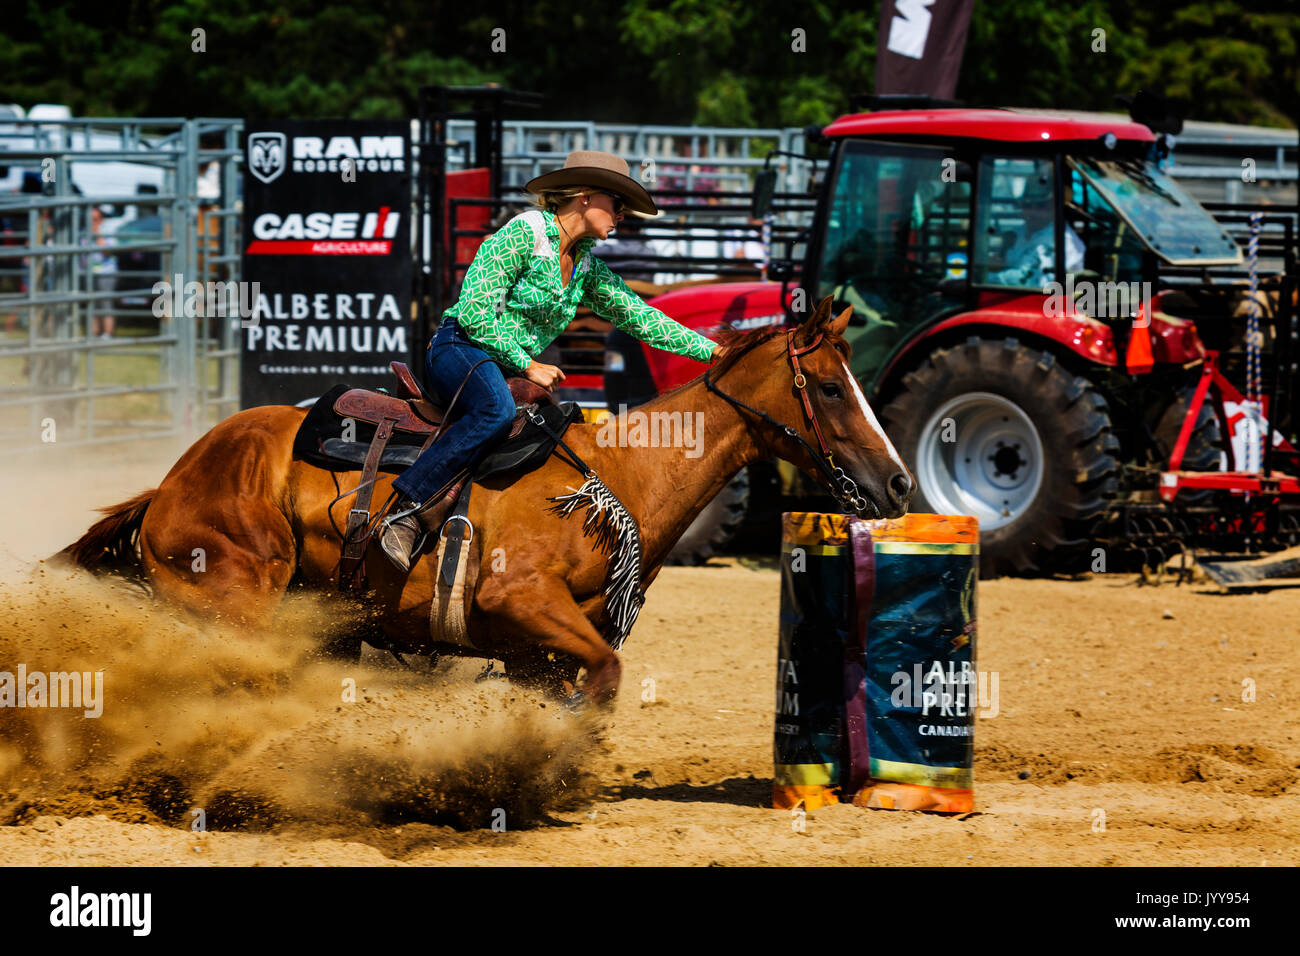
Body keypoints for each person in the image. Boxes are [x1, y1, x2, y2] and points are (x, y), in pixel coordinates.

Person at [378, 150, 720, 572]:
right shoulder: (524, 232)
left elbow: (642, 317)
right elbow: (474, 312)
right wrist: (528, 366)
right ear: (585, 196)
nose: (622, 216)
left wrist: (715, 351)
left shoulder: (586, 267)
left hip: (504, 365)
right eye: (617, 204)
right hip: (459, 347)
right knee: (495, 410)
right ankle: (407, 509)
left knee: (553, 440)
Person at [990, 190, 1084, 287]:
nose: (1033, 211)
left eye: (1040, 205)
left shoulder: (1061, 240)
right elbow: (999, 262)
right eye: (1027, 205)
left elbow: (1026, 281)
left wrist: (986, 278)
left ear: (1053, 207)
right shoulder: (1018, 232)